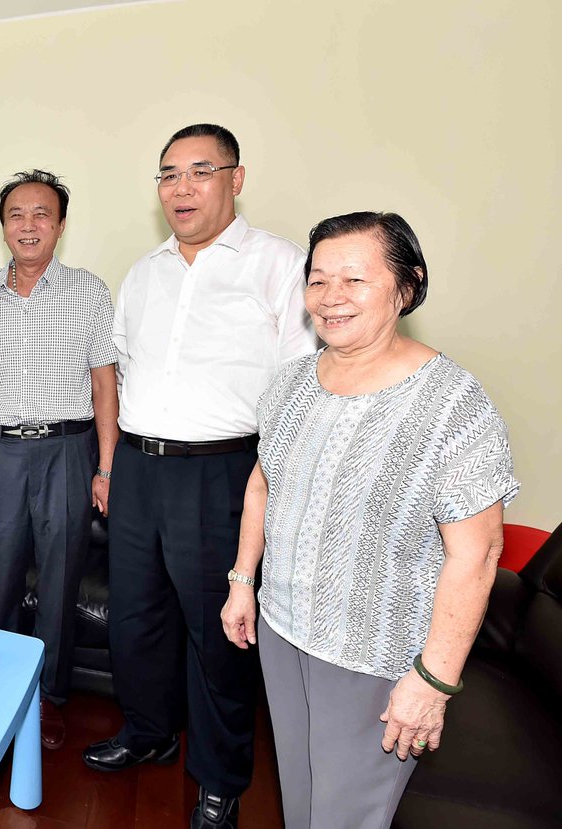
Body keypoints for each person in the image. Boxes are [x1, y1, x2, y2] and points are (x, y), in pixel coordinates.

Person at [220, 212, 517, 829]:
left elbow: (479, 553)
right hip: (283, 630)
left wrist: (433, 681)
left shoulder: (452, 404)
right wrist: (243, 580)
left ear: (407, 287)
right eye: (318, 279)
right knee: (298, 800)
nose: (331, 298)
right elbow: (263, 481)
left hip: (373, 653)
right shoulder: (292, 382)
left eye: (354, 280)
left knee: (345, 816)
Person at [84, 124, 317, 829]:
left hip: (223, 471)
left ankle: (219, 778)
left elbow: (301, 385)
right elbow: (120, 368)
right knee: (135, 616)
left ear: (235, 179)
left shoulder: (280, 264)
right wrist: (110, 462)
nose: (181, 188)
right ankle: (149, 730)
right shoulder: (144, 270)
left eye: (200, 171)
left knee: (220, 633)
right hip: (138, 467)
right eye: (168, 175)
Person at [0, 170, 117, 750]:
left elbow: (106, 384)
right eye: (16, 215)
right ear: (3, 225)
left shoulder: (89, 290)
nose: (28, 226)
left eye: (41, 215)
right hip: (0, 451)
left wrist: (105, 466)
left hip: (69, 450)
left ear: (60, 224)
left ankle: (49, 698)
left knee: (60, 579)